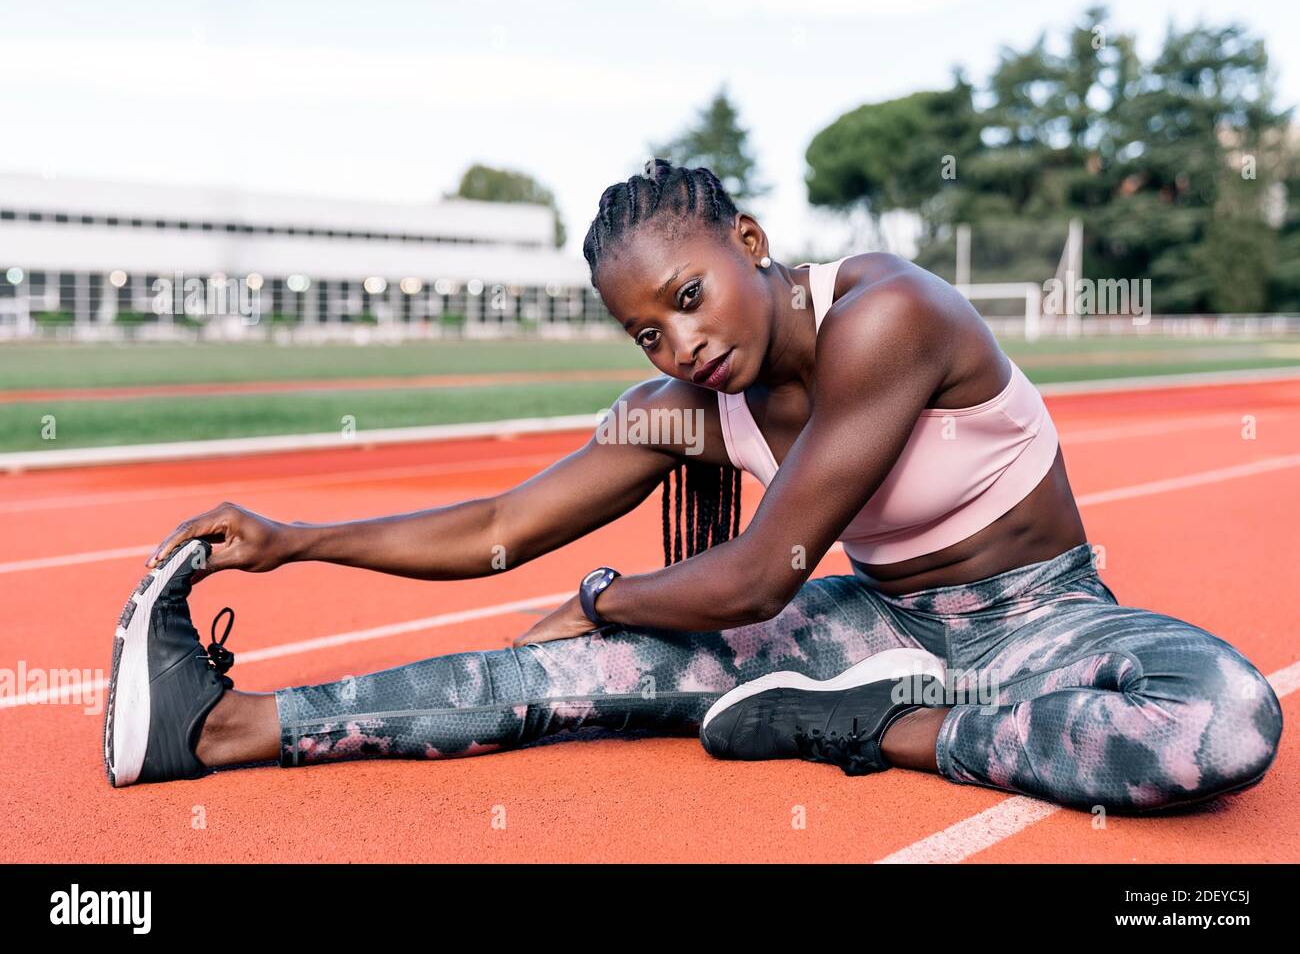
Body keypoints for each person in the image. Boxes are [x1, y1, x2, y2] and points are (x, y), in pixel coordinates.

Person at [104, 159, 1282, 813]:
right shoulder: (689, 407)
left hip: (1040, 617)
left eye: (687, 296)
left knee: (1221, 721)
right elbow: (504, 526)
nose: (679, 344)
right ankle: (225, 732)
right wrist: (294, 538)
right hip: (864, 619)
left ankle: (875, 726)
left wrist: (607, 593)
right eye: (644, 334)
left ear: (752, 244)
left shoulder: (891, 317)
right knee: (553, 676)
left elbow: (761, 570)